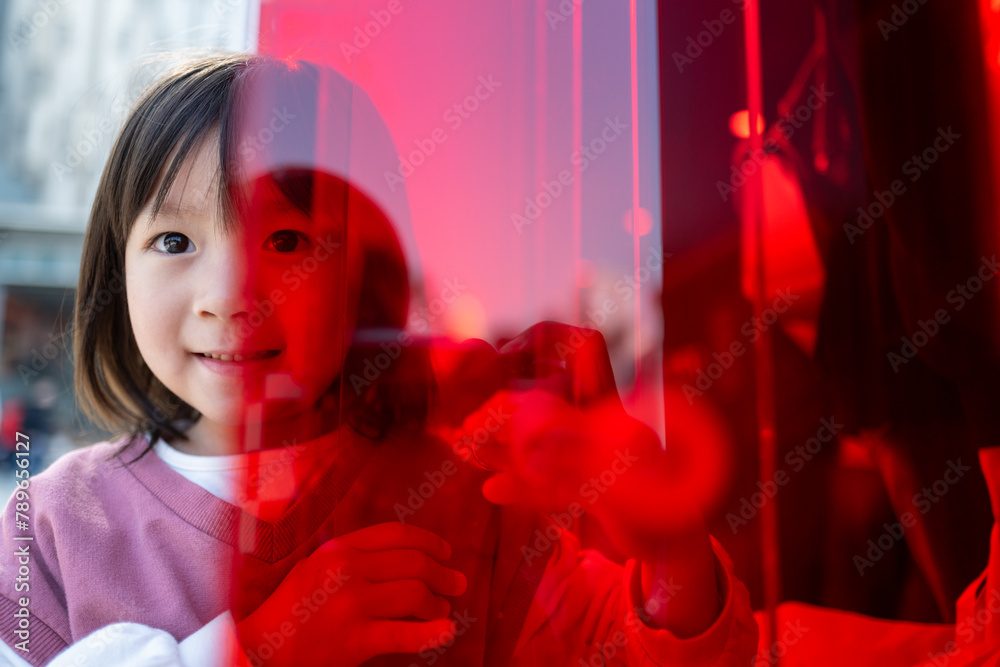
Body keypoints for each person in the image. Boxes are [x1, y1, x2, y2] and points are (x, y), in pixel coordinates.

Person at [0, 53, 757, 666]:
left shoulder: (468, 501)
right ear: (114, 269)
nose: (230, 295)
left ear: (365, 276)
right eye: (175, 242)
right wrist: (257, 650)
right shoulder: (50, 526)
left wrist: (671, 546)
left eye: (287, 241)